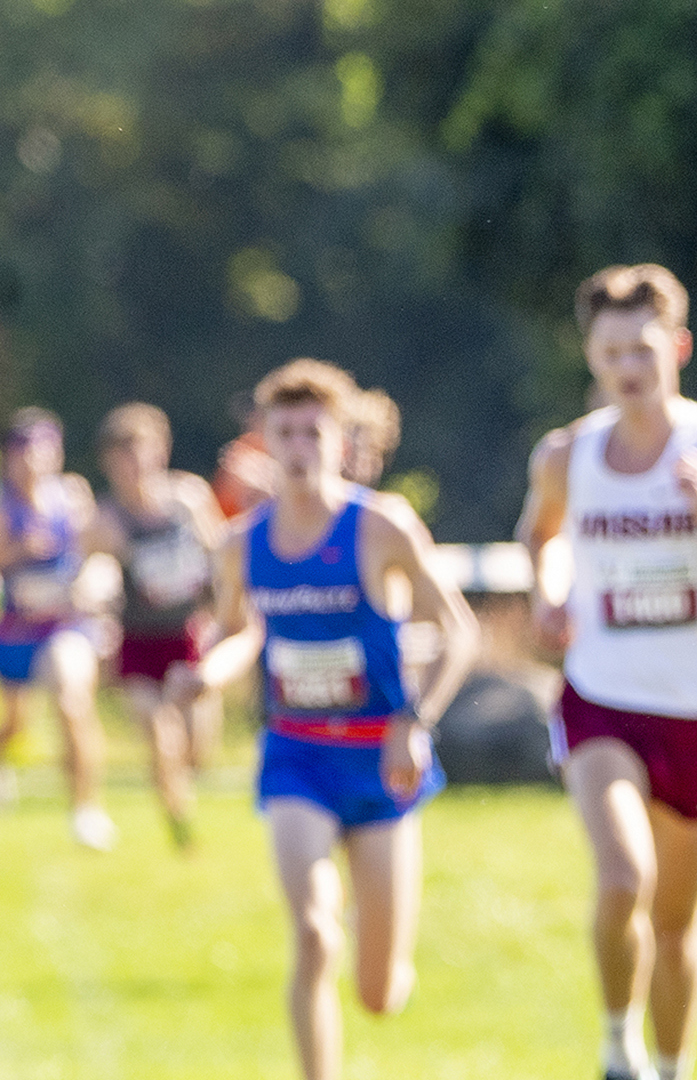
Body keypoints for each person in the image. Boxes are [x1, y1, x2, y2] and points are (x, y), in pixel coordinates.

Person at [519, 262, 697, 1080]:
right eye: (610, 353)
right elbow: (540, 537)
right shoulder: (566, 455)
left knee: (679, 924)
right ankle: (618, 1048)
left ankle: (672, 1067)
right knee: (623, 877)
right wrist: (550, 594)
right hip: (601, 704)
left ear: (676, 346)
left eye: (642, 348)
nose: (627, 369)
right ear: (591, 358)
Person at [174, 358, 479, 1080]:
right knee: (313, 935)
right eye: (285, 432)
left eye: (315, 431)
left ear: (342, 440)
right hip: (297, 756)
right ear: (263, 443)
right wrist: (205, 676)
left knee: (378, 995)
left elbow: (459, 631)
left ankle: (379, 932)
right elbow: (238, 631)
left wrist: (417, 715)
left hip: (381, 758)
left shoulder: (381, 526)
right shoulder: (242, 541)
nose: (300, 446)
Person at [88, 403, 226, 847]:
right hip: (137, 640)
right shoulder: (105, 521)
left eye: (142, 452)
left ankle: (181, 795)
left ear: (161, 451)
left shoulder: (189, 499)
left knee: (196, 748)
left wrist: (223, 621)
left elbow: (224, 559)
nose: (134, 466)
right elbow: (87, 580)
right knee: (158, 734)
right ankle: (178, 820)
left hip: (188, 635)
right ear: (109, 463)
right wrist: (97, 615)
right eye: (122, 457)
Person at [0, 408, 116, 848]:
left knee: (72, 703)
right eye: (23, 450)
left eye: (42, 449)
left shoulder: (73, 496)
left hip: (65, 625)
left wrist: (96, 588)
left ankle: (86, 810)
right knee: (14, 725)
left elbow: (98, 555)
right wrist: (16, 550)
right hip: (14, 629)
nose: (32, 460)